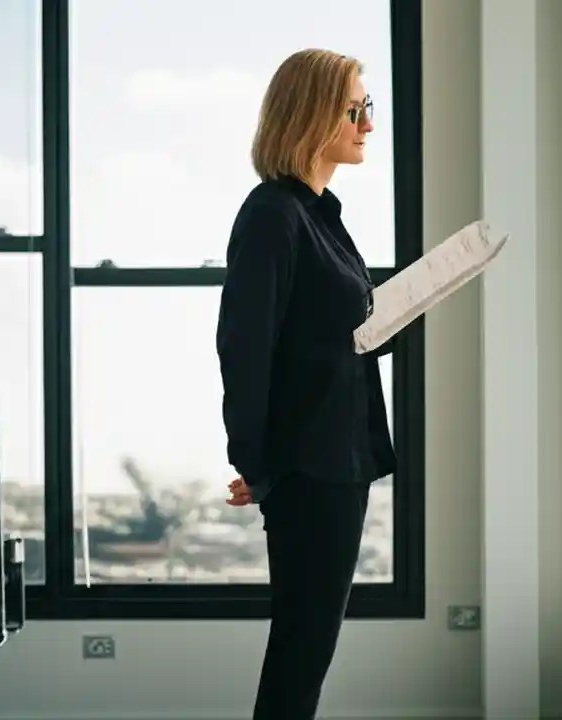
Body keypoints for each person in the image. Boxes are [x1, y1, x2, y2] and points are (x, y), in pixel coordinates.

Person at [214, 48, 399, 720]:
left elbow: (332, 336)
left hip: (336, 458)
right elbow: (245, 345)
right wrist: (259, 463)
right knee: (302, 651)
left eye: (367, 108)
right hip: (313, 467)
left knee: (307, 650)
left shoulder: (322, 215)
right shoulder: (273, 213)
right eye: (355, 110)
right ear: (315, 114)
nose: (367, 125)